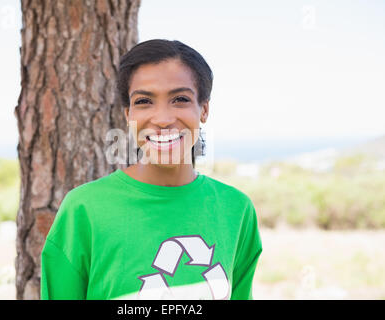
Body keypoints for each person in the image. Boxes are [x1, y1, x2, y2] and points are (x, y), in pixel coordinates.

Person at [40, 39, 263, 300]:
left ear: (203, 109)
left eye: (180, 99)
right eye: (144, 101)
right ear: (128, 114)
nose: (163, 119)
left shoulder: (236, 209)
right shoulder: (83, 209)